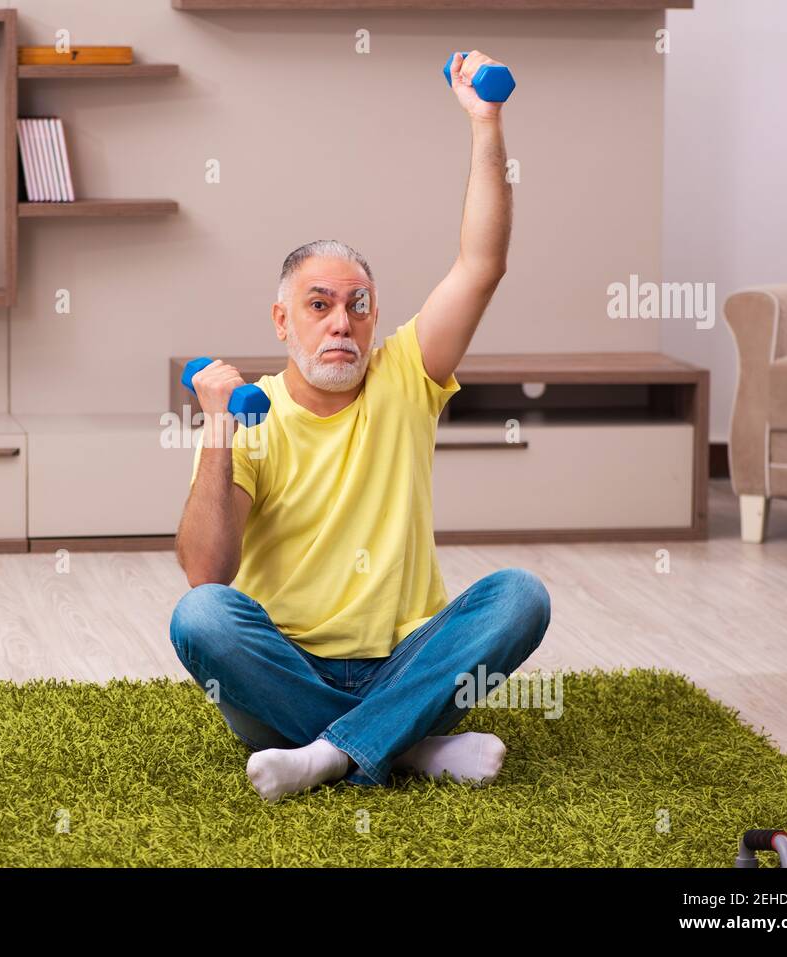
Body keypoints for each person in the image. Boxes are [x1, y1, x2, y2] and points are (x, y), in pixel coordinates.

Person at [170, 51, 550, 803]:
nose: (342, 321)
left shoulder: (406, 375)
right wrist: (215, 431)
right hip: (284, 673)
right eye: (318, 304)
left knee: (521, 595)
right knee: (200, 617)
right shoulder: (253, 417)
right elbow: (206, 573)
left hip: (408, 659)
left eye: (359, 304)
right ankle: (405, 746)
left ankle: (331, 752)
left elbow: (482, 264)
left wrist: (486, 122)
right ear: (283, 320)